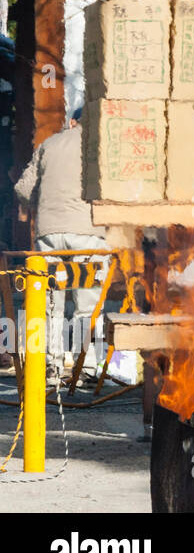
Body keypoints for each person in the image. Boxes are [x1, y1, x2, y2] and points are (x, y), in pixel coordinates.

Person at [14, 108, 109, 379]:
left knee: (50, 305)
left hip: (49, 234)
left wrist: (44, 207)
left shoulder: (49, 145)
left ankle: (51, 368)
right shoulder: (102, 149)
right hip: (89, 235)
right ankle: (87, 370)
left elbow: (23, 189)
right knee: (88, 306)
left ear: (72, 122)